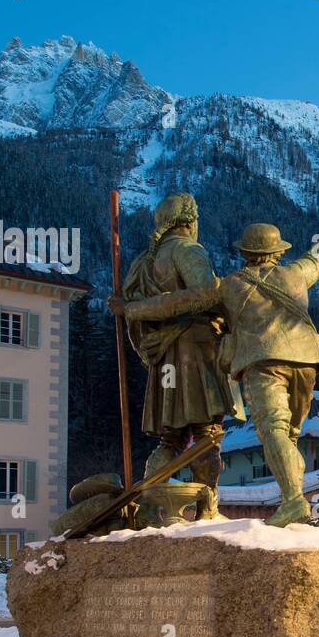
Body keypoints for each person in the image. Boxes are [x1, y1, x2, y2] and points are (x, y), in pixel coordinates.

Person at [218, 214, 319, 526]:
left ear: (245, 253)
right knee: (290, 435)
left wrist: (132, 308)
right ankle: (292, 498)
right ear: (278, 251)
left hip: (264, 363)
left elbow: (187, 302)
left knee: (274, 430)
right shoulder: (295, 274)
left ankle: (293, 500)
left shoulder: (228, 287)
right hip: (306, 361)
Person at [107, 194, 241, 516]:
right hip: (196, 351)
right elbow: (206, 294)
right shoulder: (188, 250)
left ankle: (150, 506)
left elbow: (136, 321)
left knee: (171, 439)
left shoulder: (144, 263)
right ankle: (207, 508)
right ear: (189, 220)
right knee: (207, 433)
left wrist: (133, 310)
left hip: (166, 357)